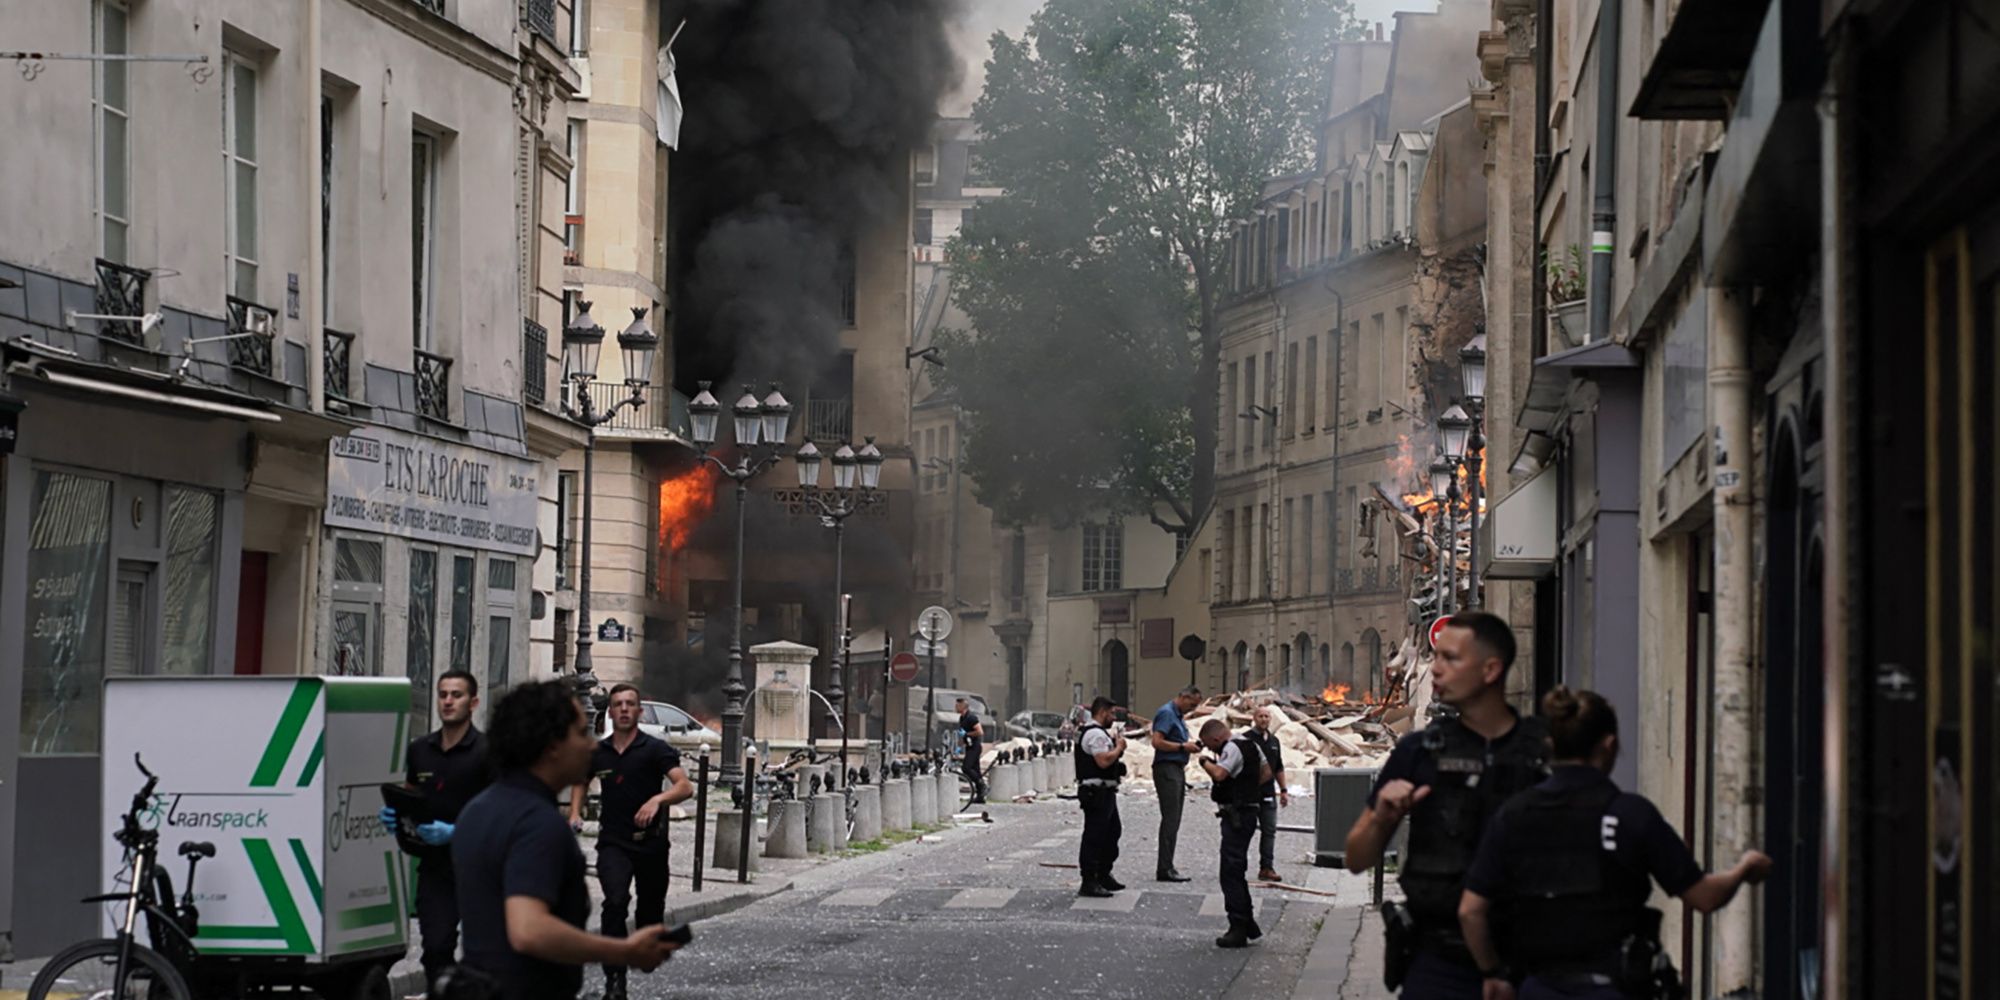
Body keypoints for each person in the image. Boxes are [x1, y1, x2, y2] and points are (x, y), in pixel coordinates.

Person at [1460, 688, 1773, 1000]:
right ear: (1609, 746)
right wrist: (1744, 869)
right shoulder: (1630, 815)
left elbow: (1471, 912)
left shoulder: (1514, 817)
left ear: (1551, 746)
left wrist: (1493, 974)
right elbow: (1704, 897)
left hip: (1539, 987)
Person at [1344, 611, 1550, 999]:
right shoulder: (1420, 751)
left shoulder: (1542, 754)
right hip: (1440, 961)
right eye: (1436, 657)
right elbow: (1356, 858)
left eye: (1450, 659)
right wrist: (1383, 819)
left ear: (1491, 670)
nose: (1435, 669)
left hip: (1532, 961)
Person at [451, 680, 679, 1000]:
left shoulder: (478, 810)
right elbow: (529, 930)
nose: (590, 745)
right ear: (553, 745)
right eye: (581, 733)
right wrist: (624, 950)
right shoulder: (538, 824)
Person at [566, 685, 694, 1000]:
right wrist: (573, 812)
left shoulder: (655, 749)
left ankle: (648, 938)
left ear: (638, 711)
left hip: (650, 844)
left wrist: (657, 800)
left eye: (630, 704)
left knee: (649, 912)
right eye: (618, 704)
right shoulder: (598, 752)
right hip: (614, 842)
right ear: (609, 712)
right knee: (614, 904)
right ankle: (615, 981)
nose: (624, 709)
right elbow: (581, 780)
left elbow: (685, 786)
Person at [376, 669, 491, 993]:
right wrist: (396, 816)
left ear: (473, 702)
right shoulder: (420, 750)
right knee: (436, 946)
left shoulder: (487, 752)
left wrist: (456, 831)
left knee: (485, 955)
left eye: (456, 695)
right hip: (436, 867)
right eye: (443, 694)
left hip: (480, 870)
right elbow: (411, 794)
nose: (448, 701)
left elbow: (501, 813)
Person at [1198, 718, 1272, 948]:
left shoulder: (1231, 748)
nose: (1210, 748)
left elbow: (1220, 774)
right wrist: (1249, 789)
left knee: (1230, 870)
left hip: (1237, 815)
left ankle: (1238, 926)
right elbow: (1267, 772)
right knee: (1237, 868)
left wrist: (1205, 763)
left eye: (1209, 744)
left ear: (1217, 738)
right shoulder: (1251, 744)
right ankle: (1248, 923)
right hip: (1248, 811)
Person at [1074, 696, 1129, 898]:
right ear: (1103, 712)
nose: (1113, 717)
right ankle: (1089, 880)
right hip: (1096, 792)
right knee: (1095, 836)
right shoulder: (1095, 734)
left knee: (1112, 832)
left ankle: (1103, 874)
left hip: (1103, 790)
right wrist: (1119, 749)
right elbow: (1103, 761)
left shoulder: (1093, 732)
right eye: (1112, 713)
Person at [1149, 686, 1203, 882]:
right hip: (1167, 769)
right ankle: (1164, 868)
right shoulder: (1167, 713)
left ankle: (1167, 864)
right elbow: (1157, 741)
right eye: (1192, 704)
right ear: (1183, 696)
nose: (1192, 708)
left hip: (1176, 768)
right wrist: (1182, 746)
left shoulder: (1178, 716)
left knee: (1175, 818)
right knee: (1171, 818)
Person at [1248, 705, 1289, 882]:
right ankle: (1235, 865)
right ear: (1254, 718)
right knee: (1244, 830)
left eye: (1266, 716)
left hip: (1268, 793)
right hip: (1249, 794)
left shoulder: (1274, 741)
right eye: (1260, 716)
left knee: (1269, 831)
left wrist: (1284, 790)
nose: (1264, 719)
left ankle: (1267, 867)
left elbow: (1278, 767)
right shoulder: (1246, 740)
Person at [957, 697, 987, 804]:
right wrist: (959, 747)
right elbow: (962, 734)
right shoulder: (962, 718)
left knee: (966, 767)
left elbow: (980, 732)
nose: (955, 707)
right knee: (976, 770)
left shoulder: (971, 717)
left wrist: (967, 734)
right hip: (969, 746)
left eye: (957, 705)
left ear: (963, 706)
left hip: (975, 746)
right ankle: (980, 796)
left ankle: (981, 785)